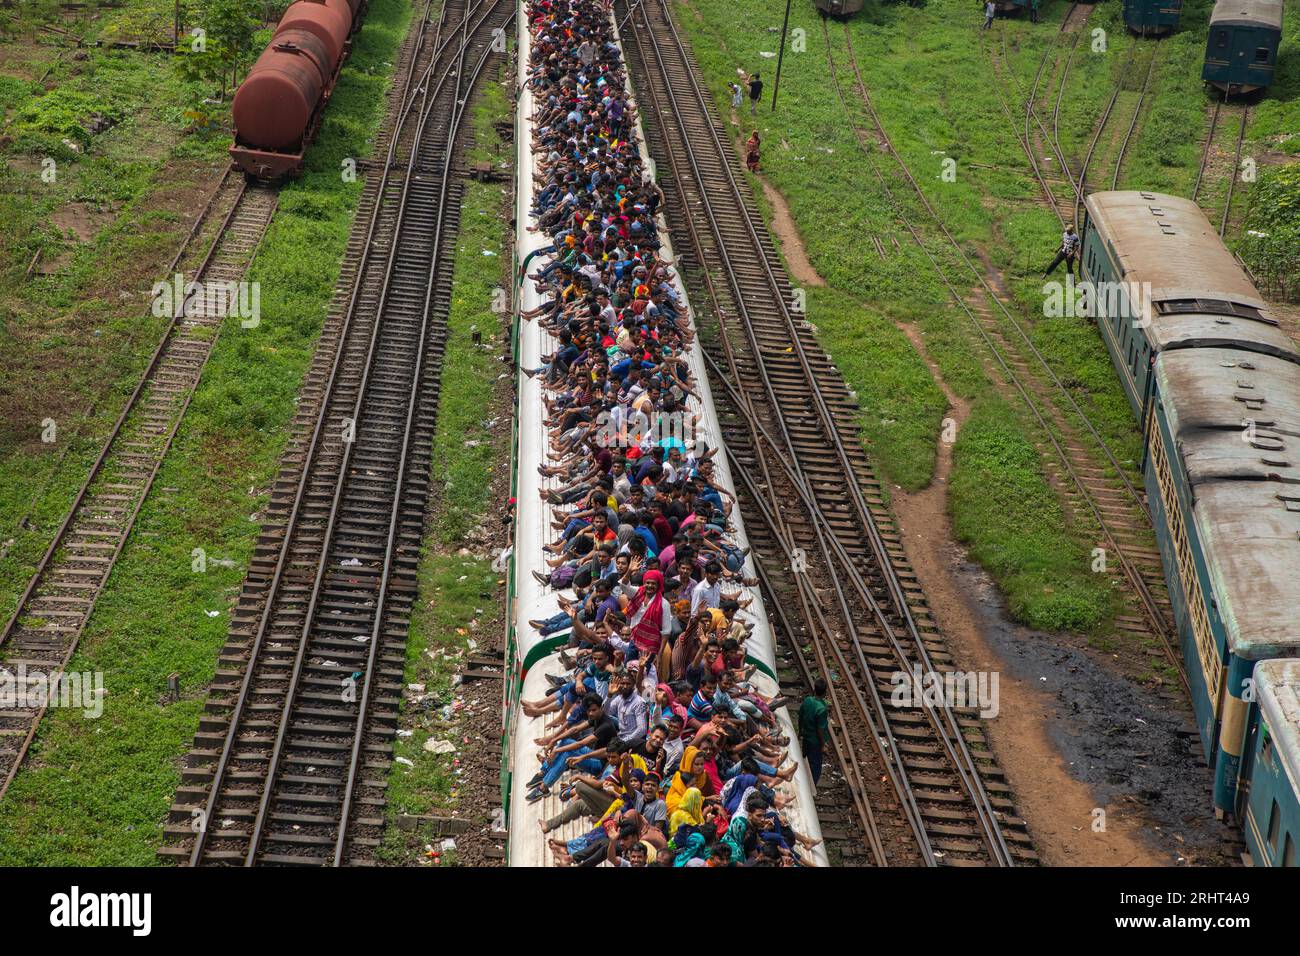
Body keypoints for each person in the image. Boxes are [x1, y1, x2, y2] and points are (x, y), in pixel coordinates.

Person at [798, 678, 830, 786]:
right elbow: (820, 729)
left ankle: (803, 783)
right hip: (815, 742)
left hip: (806, 737)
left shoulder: (807, 700)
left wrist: (800, 730)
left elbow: (801, 716)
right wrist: (823, 745)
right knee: (815, 767)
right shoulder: (822, 709)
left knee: (804, 762)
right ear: (825, 692)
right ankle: (811, 788)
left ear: (814, 689)